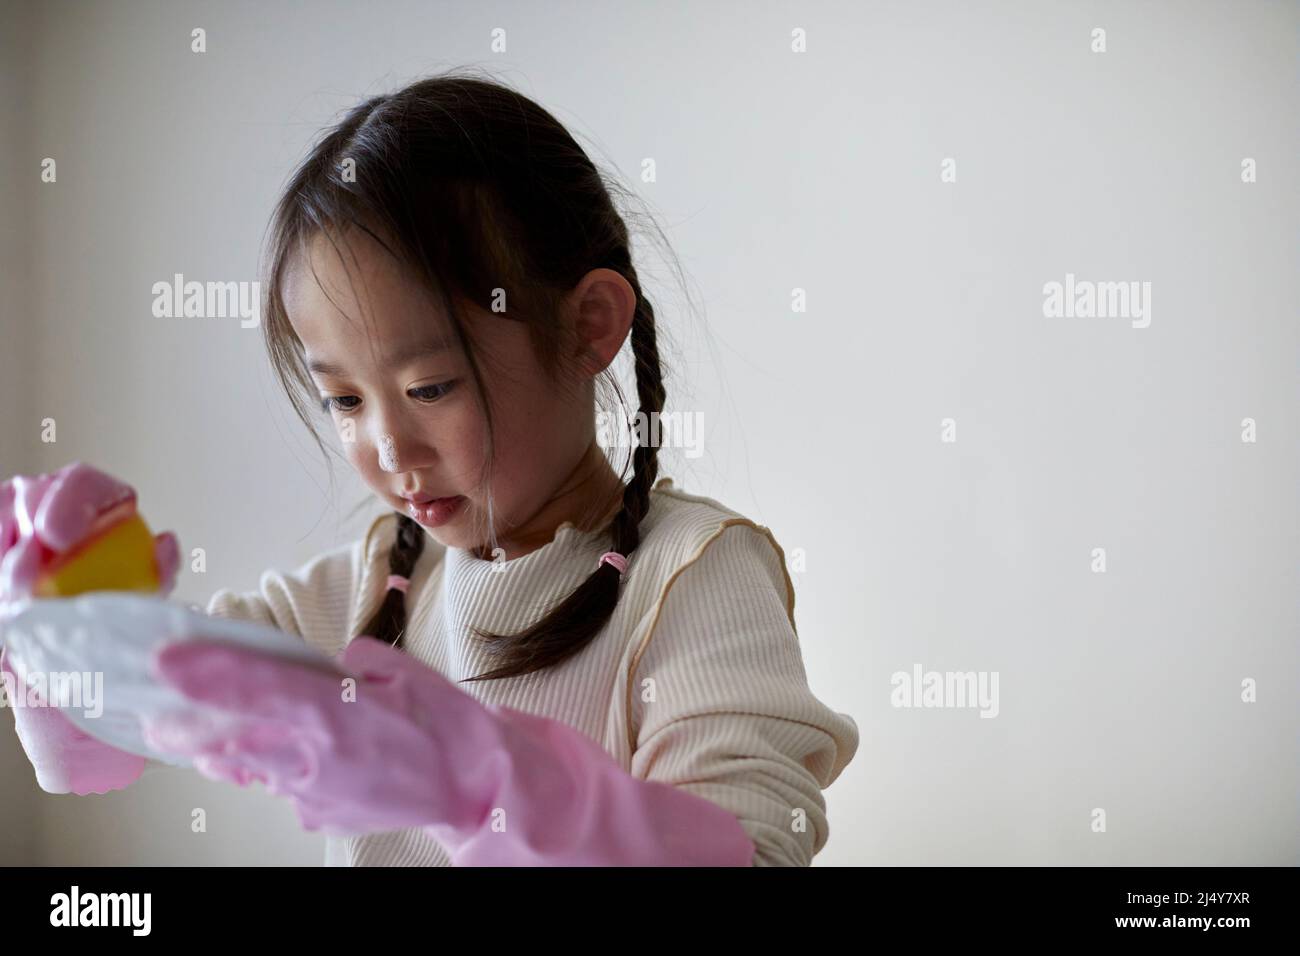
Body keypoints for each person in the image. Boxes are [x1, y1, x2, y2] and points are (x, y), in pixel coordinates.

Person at [0, 71, 858, 867]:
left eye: (431, 386)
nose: (388, 450)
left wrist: (469, 778)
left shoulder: (694, 577)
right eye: (343, 401)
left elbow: (749, 850)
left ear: (590, 324)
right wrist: (54, 620)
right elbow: (107, 734)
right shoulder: (378, 580)